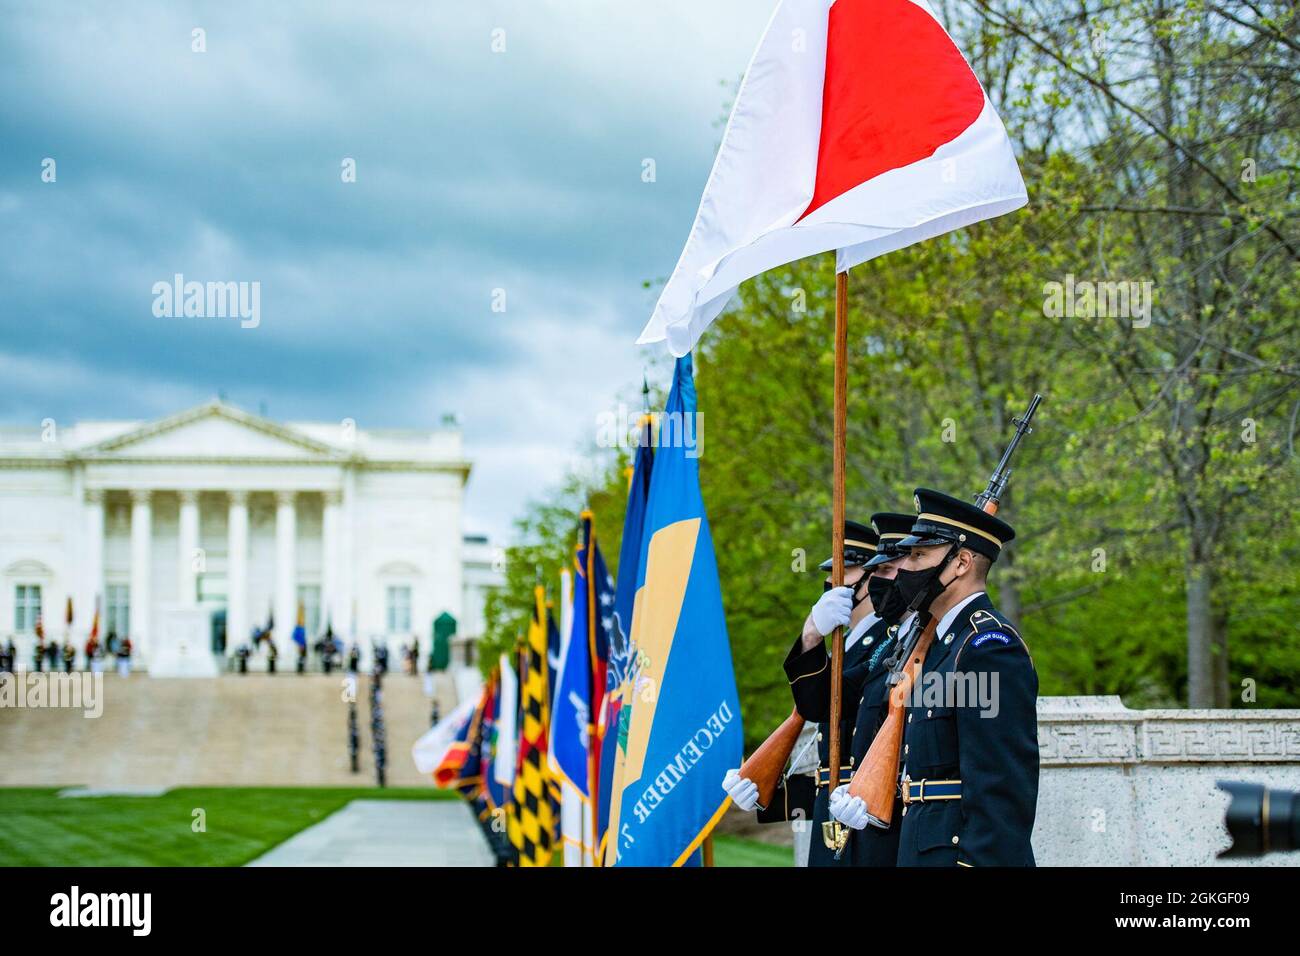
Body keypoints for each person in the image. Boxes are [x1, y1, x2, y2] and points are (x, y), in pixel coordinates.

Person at [828, 489, 1038, 867]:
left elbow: (1000, 788)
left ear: (960, 563)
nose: (906, 568)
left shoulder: (986, 647)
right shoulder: (942, 646)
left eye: (919, 555)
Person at [723, 519, 896, 867]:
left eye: (846, 569)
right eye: (832, 570)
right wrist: (768, 796)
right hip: (832, 814)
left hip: (866, 822)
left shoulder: (886, 642)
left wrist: (813, 634)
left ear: (872, 575)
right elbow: (826, 760)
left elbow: (824, 711)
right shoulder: (846, 648)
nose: (832, 580)